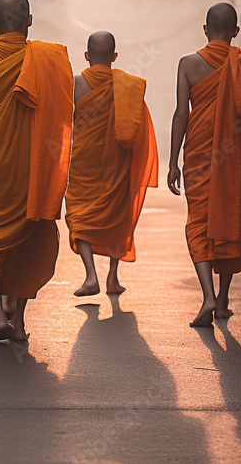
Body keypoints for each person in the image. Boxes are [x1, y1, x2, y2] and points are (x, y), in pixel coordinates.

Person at [0, 0, 74, 342]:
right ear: (30, 21)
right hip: (34, 170)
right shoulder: (49, 58)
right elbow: (65, 115)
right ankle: (18, 320)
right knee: (29, 240)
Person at [167, 2, 241, 328]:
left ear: (205, 30)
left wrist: (172, 161)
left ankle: (209, 297)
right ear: (236, 31)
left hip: (200, 157)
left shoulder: (187, 63)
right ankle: (224, 298)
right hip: (238, 160)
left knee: (198, 224)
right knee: (231, 222)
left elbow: (181, 114)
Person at [66, 31, 159, 297]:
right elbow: (136, 128)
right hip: (118, 161)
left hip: (82, 161)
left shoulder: (74, 84)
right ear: (114, 57)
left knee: (78, 214)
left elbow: (63, 123)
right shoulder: (126, 87)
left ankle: (90, 276)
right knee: (117, 214)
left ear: (86, 56)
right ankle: (112, 278)